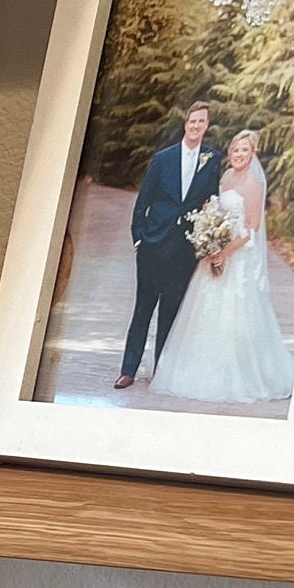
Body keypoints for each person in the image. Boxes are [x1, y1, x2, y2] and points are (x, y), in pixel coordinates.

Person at [150, 129, 294, 408]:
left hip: (236, 258)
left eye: (244, 150)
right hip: (214, 254)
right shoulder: (227, 176)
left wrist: (225, 252)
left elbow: (252, 228)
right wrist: (209, 235)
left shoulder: (254, 184)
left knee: (233, 316)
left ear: (252, 153)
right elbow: (218, 212)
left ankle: (241, 375)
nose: (238, 155)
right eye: (235, 150)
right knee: (202, 313)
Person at [115, 101, 225, 388]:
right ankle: (128, 369)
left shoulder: (212, 159)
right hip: (153, 243)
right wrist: (139, 235)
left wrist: (208, 238)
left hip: (184, 249)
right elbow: (144, 200)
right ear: (185, 123)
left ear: (206, 126)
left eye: (202, 122)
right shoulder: (163, 159)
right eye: (193, 120)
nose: (196, 125)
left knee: (171, 311)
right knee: (143, 308)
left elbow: (211, 201)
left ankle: (160, 372)